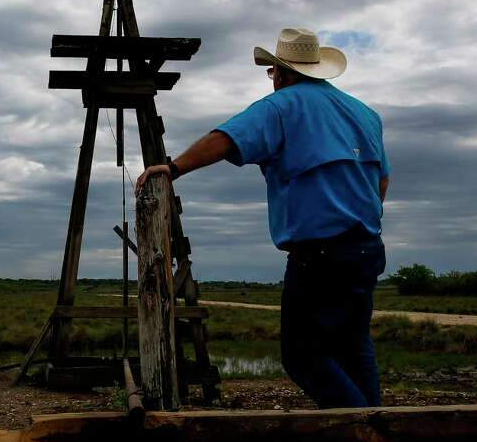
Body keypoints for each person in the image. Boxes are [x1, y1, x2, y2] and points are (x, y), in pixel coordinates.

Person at [135, 27, 389, 408]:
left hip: (319, 255)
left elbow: (227, 138)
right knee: (353, 347)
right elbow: (381, 181)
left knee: (303, 357)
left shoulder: (281, 106)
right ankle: (380, 433)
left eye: (272, 73)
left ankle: (362, 430)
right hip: (367, 249)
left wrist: (173, 168)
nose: (272, 80)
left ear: (282, 73)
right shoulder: (365, 114)